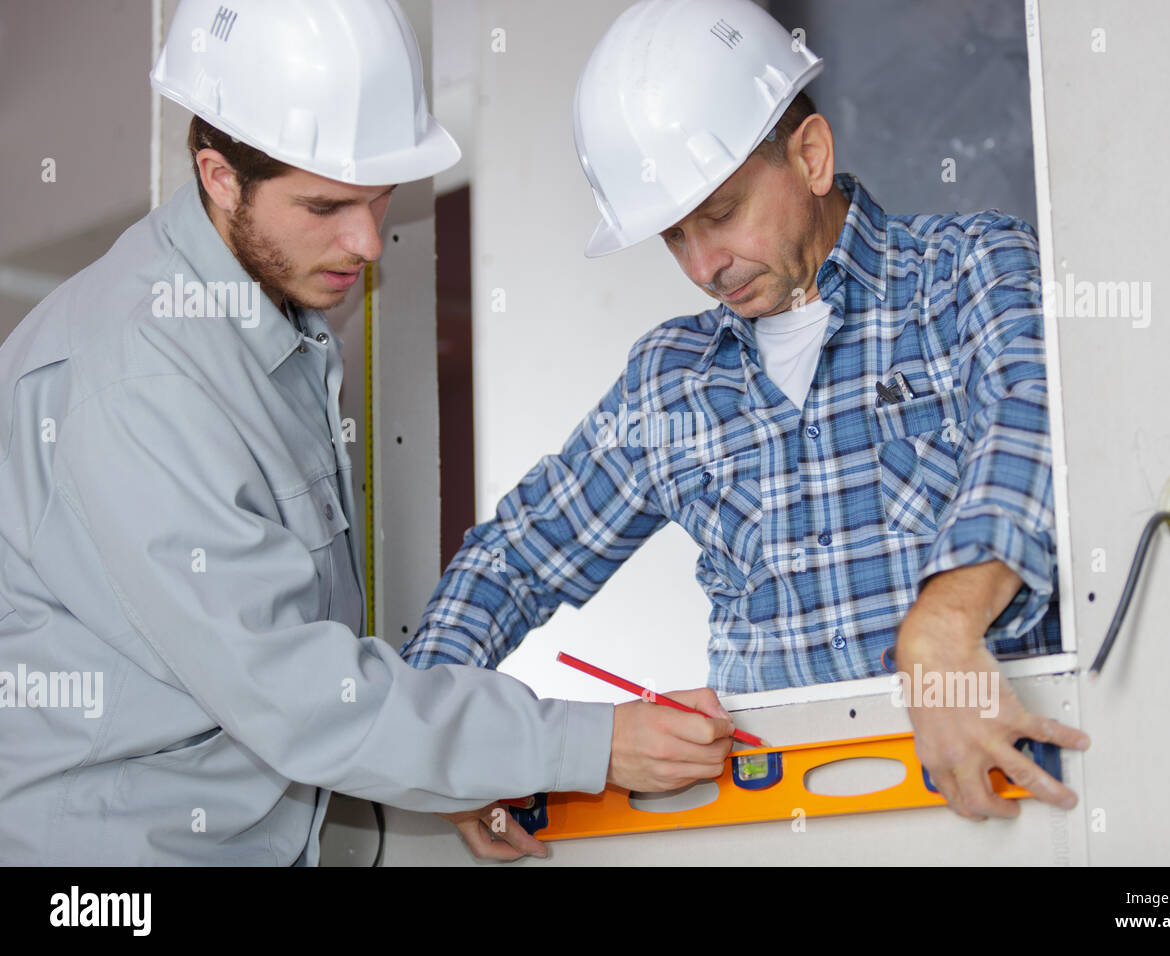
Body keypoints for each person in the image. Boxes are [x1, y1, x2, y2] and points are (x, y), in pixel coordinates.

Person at [0, 0, 735, 866]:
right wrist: (590, 744)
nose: (366, 241)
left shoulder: (267, 324)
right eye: (327, 206)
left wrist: (464, 769)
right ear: (218, 175)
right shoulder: (137, 380)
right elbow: (299, 694)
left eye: (378, 199)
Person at [403, 0, 1090, 829]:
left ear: (809, 155)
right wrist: (441, 747)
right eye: (672, 236)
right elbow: (513, 559)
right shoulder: (672, 383)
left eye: (722, 214)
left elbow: (1040, 423)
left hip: (1002, 809)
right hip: (782, 829)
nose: (704, 265)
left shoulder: (973, 271)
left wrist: (944, 626)